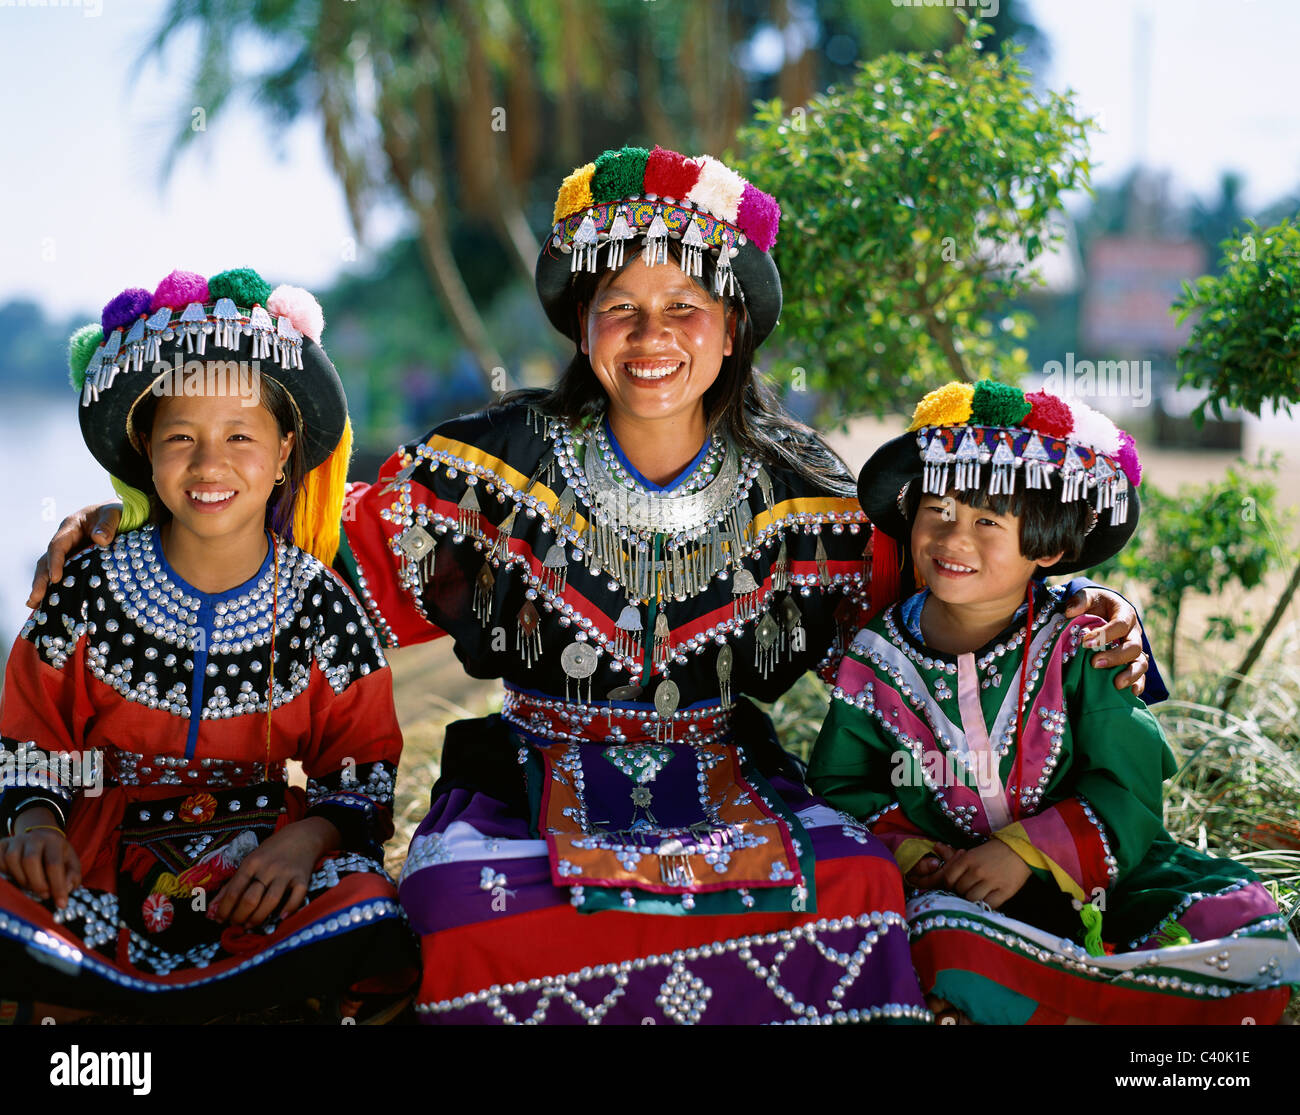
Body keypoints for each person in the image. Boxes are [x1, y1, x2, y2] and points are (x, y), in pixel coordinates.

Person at [29, 147, 1150, 1026]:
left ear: (732, 331)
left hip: (725, 774)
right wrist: (133, 531)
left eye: (684, 310)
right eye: (620, 307)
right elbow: (319, 551)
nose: (650, 336)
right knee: (457, 911)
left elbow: (961, 580)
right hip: (529, 772)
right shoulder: (491, 465)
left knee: (857, 885)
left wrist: (1097, 610)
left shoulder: (804, 492)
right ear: (580, 323)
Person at [809, 379, 1300, 1024]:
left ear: (1049, 547)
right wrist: (916, 853)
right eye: (939, 511)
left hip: (1107, 879)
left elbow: (1125, 782)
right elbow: (843, 784)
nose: (955, 538)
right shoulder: (876, 657)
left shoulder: (1081, 643)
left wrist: (1024, 851)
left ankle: (1037, 1002)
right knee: (946, 945)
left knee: (1246, 929)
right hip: (954, 892)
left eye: (989, 521)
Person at [0, 269, 417, 1023]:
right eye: (181, 438)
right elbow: (30, 743)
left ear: (287, 449)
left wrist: (310, 839)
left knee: (366, 910)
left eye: (240, 436)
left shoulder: (322, 604)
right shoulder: (84, 589)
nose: (209, 465)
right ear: (144, 448)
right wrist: (38, 828)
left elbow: (358, 769)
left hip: (260, 870)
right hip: (93, 866)